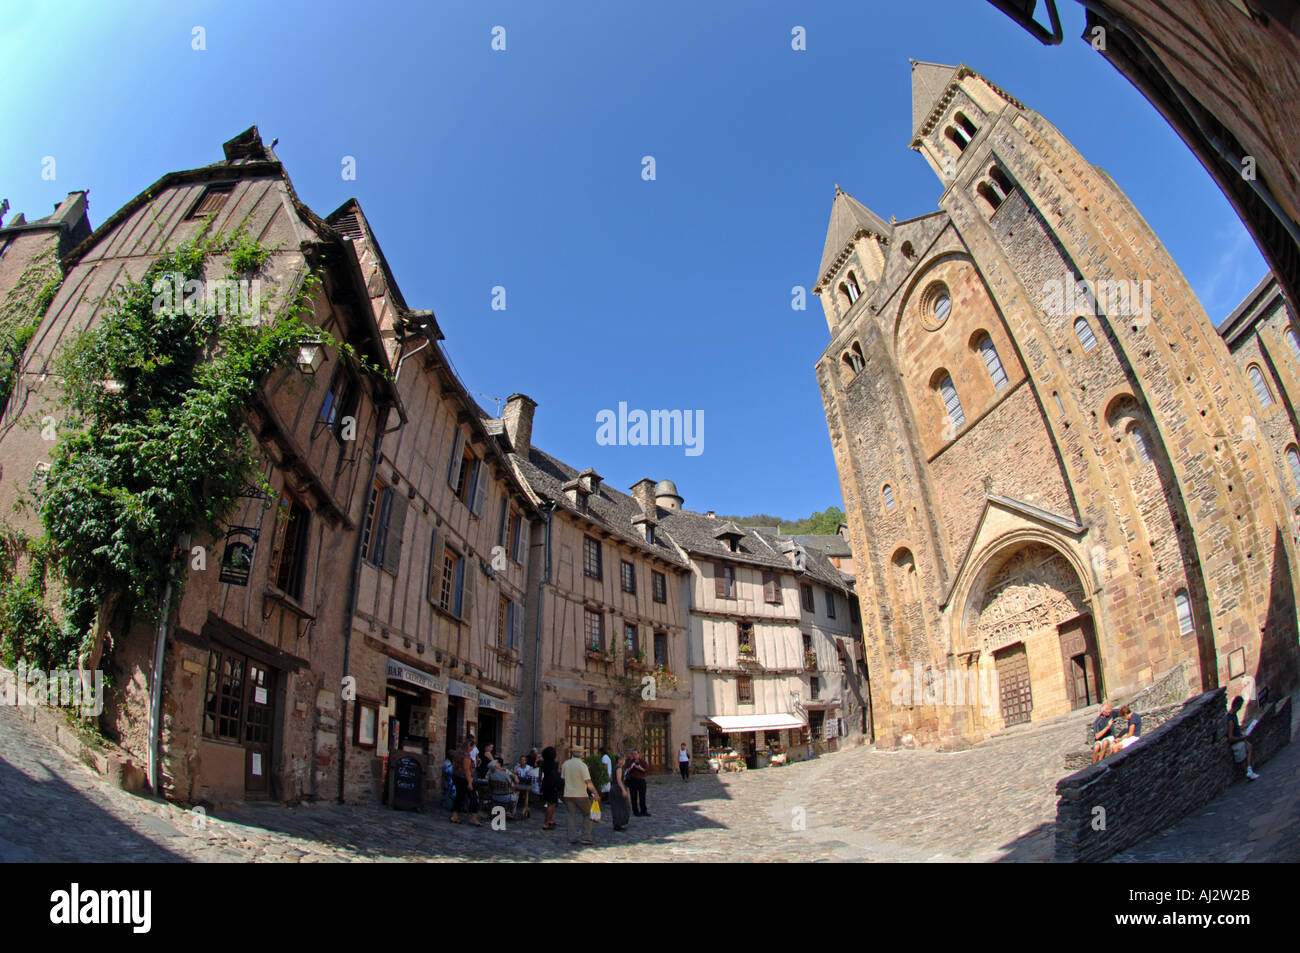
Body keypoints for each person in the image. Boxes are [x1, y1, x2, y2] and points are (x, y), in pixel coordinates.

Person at [561, 744, 599, 844]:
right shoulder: (582, 765)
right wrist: (596, 794)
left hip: (568, 794)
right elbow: (588, 782)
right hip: (581, 794)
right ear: (581, 754)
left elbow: (563, 778)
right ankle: (586, 836)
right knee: (588, 814)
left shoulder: (566, 764)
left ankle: (572, 837)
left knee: (571, 816)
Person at [449, 739, 481, 826]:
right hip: (464, 778)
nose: (472, 749)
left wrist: (455, 774)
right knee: (474, 797)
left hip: (457, 777)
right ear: (469, 746)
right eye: (472, 747)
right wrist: (470, 782)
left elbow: (454, 766)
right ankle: (473, 818)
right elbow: (466, 770)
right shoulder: (466, 756)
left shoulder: (457, 753)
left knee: (459, 796)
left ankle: (454, 816)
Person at [1228, 695, 1260, 780]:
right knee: (1242, 760)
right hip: (1237, 743)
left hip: (1240, 740)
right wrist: (1242, 738)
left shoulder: (1234, 716)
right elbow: (1230, 737)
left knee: (1249, 747)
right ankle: (1248, 773)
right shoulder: (1231, 719)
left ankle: (1249, 771)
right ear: (1237, 705)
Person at [608, 750, 632, 831]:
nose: (623, 761)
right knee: (623, 806)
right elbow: (619, 780)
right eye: (622, 760)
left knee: (616, 807)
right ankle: (619, 823)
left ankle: (617, 824)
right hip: (618, 789)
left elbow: (611, 777)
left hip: (613, 788)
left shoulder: (615, 768)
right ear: (619, 760)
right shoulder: (619, 769)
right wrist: (623, 790)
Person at [539, 745, 562, 829]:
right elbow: (559, 774)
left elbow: (540, 774)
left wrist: (540, 784)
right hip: (553, 784)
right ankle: (546, 822)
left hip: (545, 783)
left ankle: (551, 819)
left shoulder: (543, 763)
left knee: (549, 802)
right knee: (552, 804)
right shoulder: (556, 764)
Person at [624, 749, 651, 816]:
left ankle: (643, 811)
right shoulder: (630, 762)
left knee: (642, 796)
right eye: (633, 754)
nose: (634, 755)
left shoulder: (642, 761)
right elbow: (626, 771)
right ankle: (635, 811)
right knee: (634, 797)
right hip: (633, 780)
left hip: (641, 780)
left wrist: (639, 768)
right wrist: (631, 767)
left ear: (639, 754)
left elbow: (647, 770)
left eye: (636, 754)